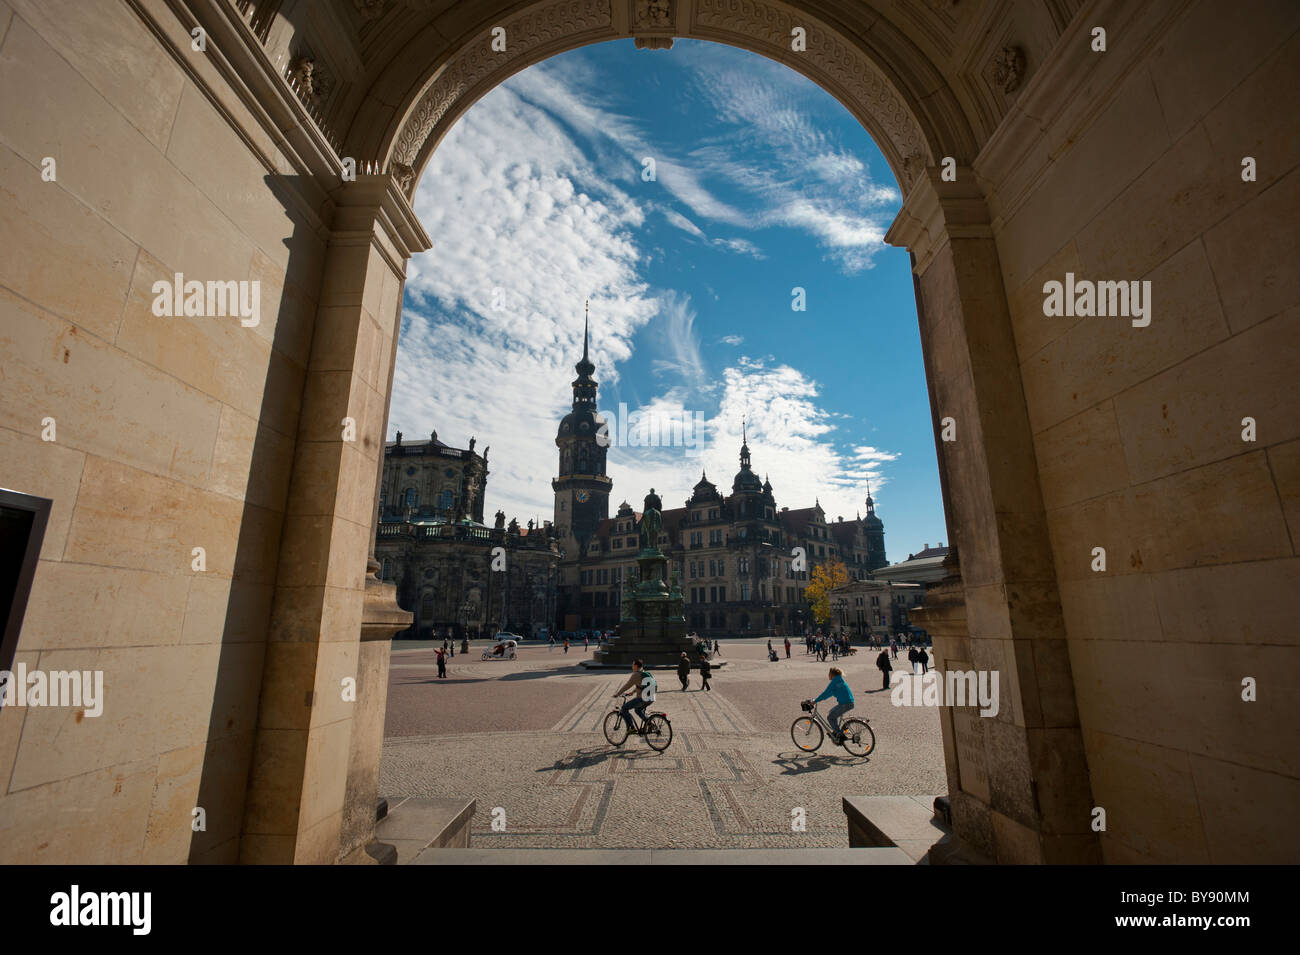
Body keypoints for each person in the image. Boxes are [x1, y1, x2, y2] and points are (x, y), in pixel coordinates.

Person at [811, 666, 855, 742]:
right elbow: (830, 693)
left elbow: (825, 693)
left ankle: (839, 735)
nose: (828, 675)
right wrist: (819, 700)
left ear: (832, 674)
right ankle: (836, 731)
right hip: (849, 703)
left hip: (844, 704)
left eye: (829, 673)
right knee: (831, 712)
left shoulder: (834, 682)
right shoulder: (839, 680)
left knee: (830, 717)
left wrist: (815, 701)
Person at [613, 659, 656, 733]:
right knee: (637, 710)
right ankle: (649, 723)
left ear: (636, 666)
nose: (632, 666)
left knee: (624, 708)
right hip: (651, 698)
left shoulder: (636, 674)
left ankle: (632, 728)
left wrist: (618, 693)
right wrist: (632, 692)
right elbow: (642, 686)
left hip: (643, 698)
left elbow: (627, 685)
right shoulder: (644, 672)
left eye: (633, 665)